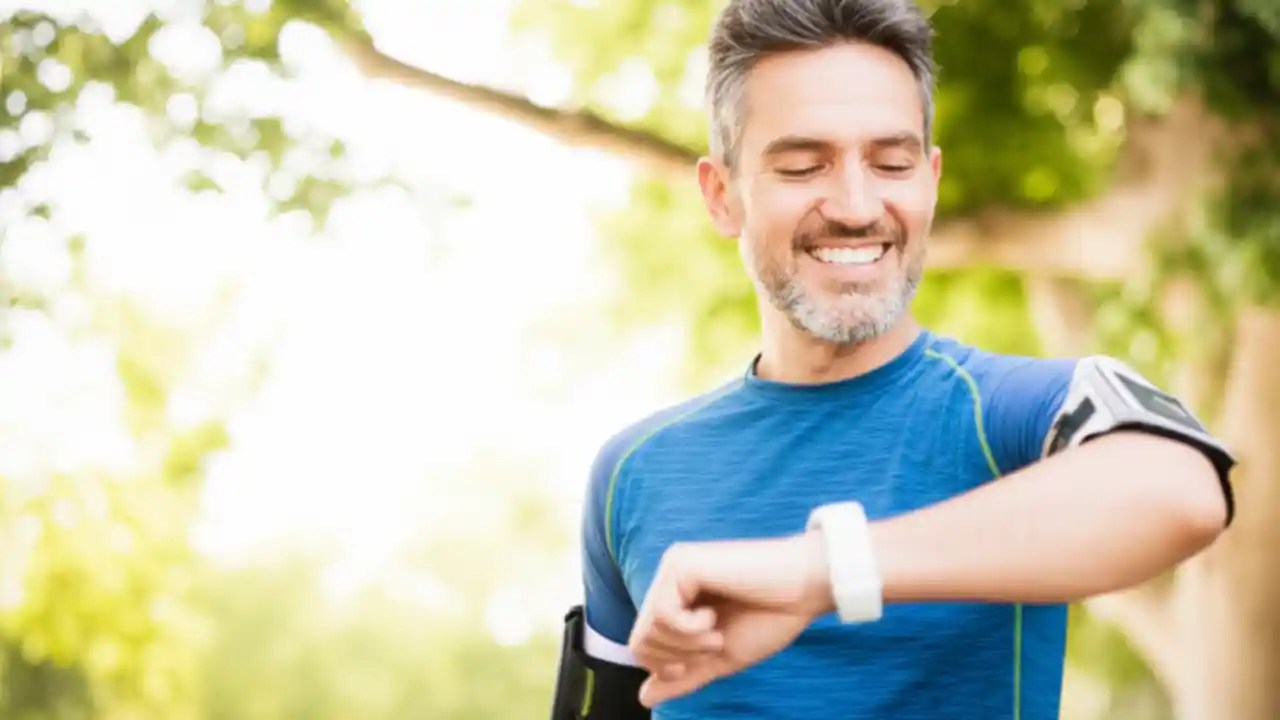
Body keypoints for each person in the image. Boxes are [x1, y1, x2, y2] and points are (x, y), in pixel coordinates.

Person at [549, 1, 1236, 718]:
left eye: (892, 162)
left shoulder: (1007, 413)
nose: (854, 204)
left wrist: (823, 571)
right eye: (804, 165)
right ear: (723, 196)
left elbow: (1183, 489)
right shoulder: (632, 473)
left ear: (931, 182)